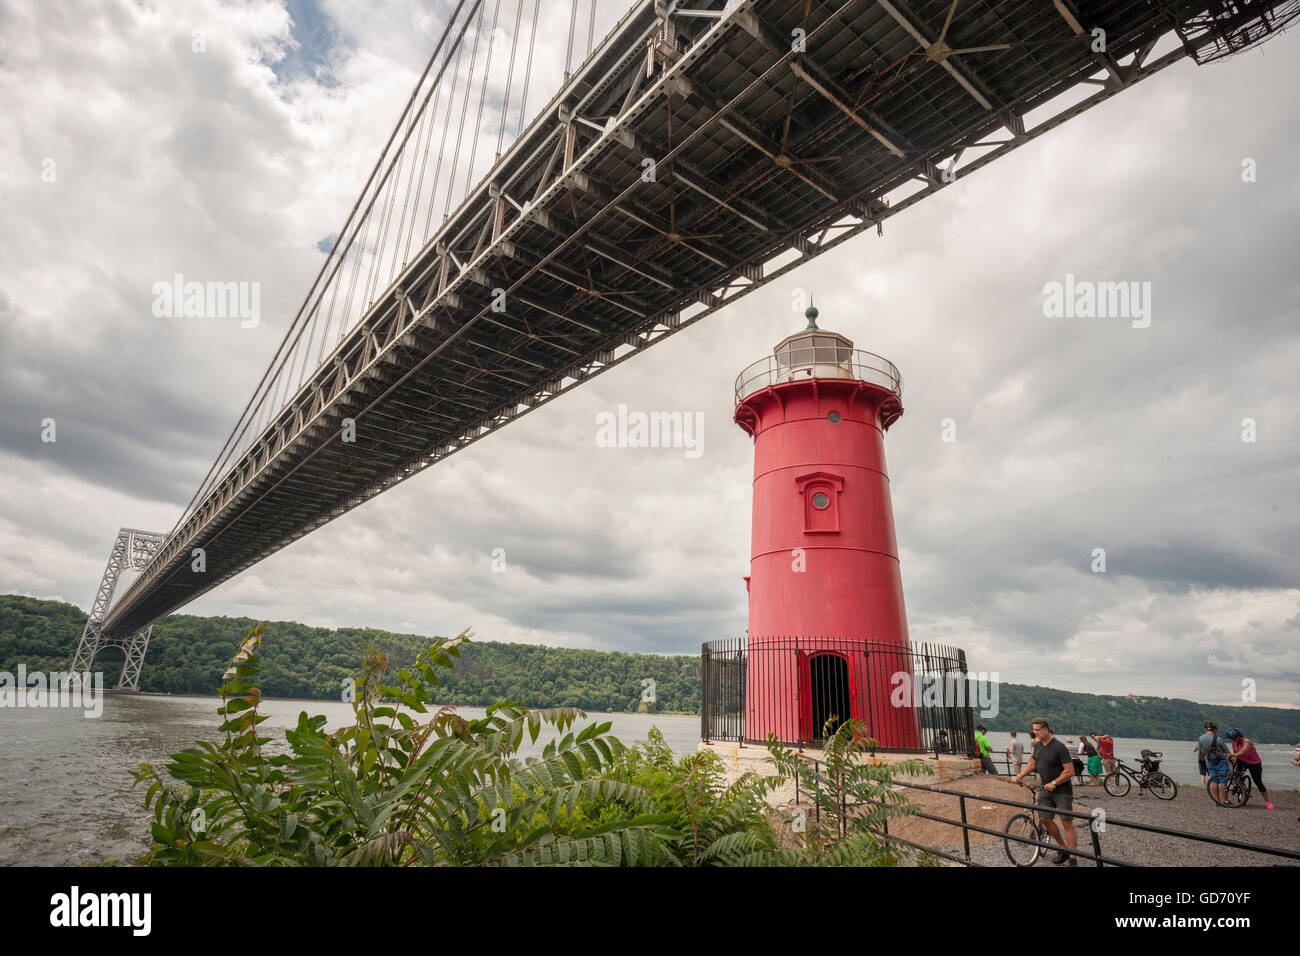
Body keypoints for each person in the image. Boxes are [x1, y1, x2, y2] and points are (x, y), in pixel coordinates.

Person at [1011, 717, 1078, 865]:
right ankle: (1063, 849)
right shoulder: (1038, 746)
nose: (1035, 733)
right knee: (1044, 818)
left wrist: (1055, 782)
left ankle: (1073, 858)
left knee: (1066, 822)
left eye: (1037, 730)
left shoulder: (1059, 747)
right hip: (1046, 789)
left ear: (1046, 729)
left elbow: (1070, 771)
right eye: (1033, 730)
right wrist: (1020, 776)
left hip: (1062, 790)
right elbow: (1032, 763)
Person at [1226, 728, 1273, 810]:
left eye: (1234, 738)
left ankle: (1268, 802)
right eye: (1232, 739)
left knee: (1258, 782)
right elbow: (1236, 753)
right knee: (1236, 773)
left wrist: (1233, 755)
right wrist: (1235, 760)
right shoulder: (1234, 742)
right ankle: (1239, 785)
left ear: (1239, 736)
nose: (1233, 740)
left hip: (1254, 763)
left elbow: (1243, 751)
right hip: (1242, 760)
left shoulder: (1247, 742)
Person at [1197, 720, 1232, 804]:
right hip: (1221, 763)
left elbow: (1201, 751)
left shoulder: (1200, 738)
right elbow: (1228, 753)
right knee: (1223, 781)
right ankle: (1226, 800)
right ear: (1215, 729)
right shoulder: (1218, 739)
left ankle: (1217, 800)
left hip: (1209, 762)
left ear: (1206, 729)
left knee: (1214, 780)